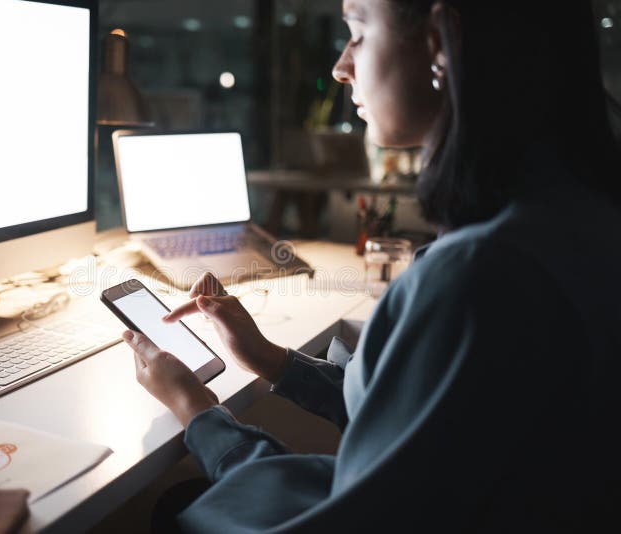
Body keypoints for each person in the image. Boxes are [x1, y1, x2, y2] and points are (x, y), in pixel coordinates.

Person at [122, 0, 621, 531]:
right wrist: (274, 361)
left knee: (175, 508)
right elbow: (426, 419)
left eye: (357, 32)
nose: (340, 66)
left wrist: (197, 410)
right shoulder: (570, 217)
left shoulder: (480, 278)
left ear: (438, 45)